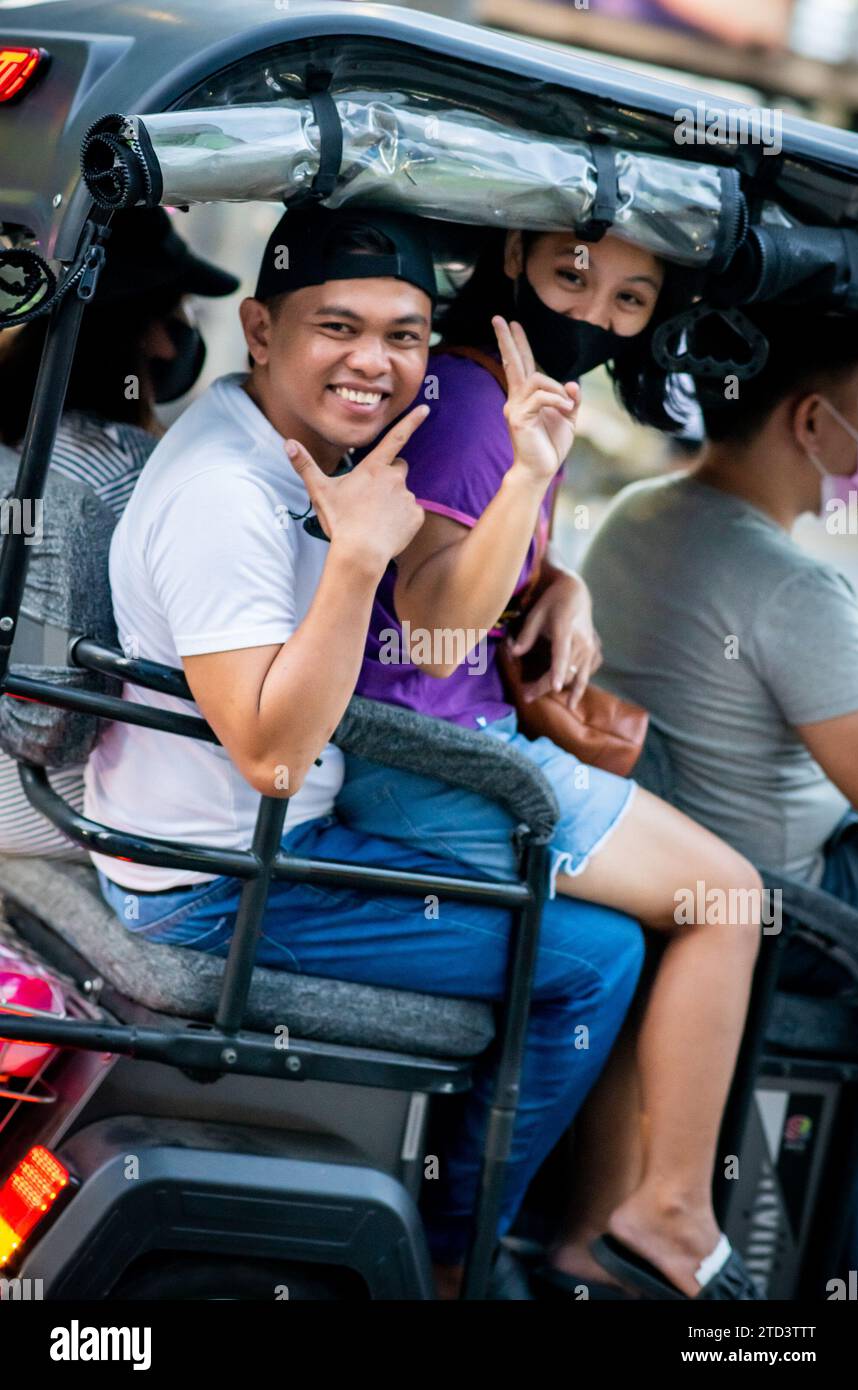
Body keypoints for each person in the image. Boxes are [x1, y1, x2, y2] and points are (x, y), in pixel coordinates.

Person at [84, 204, 646, 1300]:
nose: (373, 362)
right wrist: (355, 562)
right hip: (223, 884)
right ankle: (458, 1258)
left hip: (256, 842)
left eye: (404, 336)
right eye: (337, 327)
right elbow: (272, 759)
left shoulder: (277, 436)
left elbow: (435, 625)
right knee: (596, 958)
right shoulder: (226, 493)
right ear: (260, 329)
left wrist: (539, 527)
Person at [335, 225, 765, 1299]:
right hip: (430, 758)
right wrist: (530, 474)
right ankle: (669, 1211)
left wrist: (561, 585)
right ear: (518, 253)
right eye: (574, 276)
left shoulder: (504, 391)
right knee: (729, 899)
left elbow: (481, 556)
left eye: (630, 300)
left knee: (641, 933)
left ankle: (579, 1234)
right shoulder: (474, 403)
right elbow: (434, 629)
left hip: (455, 747)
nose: (593, 314)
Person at [582, 304, 858, 1278]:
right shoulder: (791, 586)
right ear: (811, 421)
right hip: (791, 899)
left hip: (671, 853)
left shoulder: (639, 512)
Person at [0, 207, 238, 857]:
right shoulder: (137, 474)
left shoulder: (18, 443)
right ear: (153, 336)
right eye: (178, 313)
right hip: (55, 807)